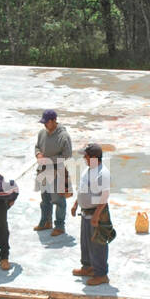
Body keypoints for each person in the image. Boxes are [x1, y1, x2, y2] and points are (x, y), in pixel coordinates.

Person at [72, 143, 112, 286]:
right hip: (85, 213)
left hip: (96, 214)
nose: (84, 158)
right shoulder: (88, 170)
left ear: (94, 157)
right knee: (86, 242)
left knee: (97, 244)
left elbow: (104, 196)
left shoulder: (103, 173)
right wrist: (76, 204)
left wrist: (96, 215)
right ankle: (88, 267)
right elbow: (83, 190)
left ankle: (101, 274)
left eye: (86, 156)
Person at [34, 108, 72, 237]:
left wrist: (48, 159)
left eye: (47, 122)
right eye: (44, 122)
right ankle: (46, 222)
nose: (45, 125)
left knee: (58, 200)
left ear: (54, 120)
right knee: (45, 199)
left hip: (57, 171)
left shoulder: (64, 136)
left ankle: (60, 226)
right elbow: (37, 146)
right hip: (43, 170)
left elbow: (67, 154)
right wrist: (38, 154)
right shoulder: (42, 133)